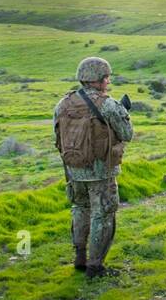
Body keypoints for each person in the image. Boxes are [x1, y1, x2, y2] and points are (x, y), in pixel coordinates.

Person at [53, 56, 133, 279]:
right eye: (106, 77)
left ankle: (80, 257)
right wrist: (125, 115)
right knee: (103, 214)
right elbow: (127, 134)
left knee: (80, 209)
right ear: (98, 79)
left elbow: (57, 136)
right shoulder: (107, 104)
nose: (108, 81)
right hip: (100, 170)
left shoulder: (63, 104)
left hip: (73, 170)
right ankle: (95, 267)